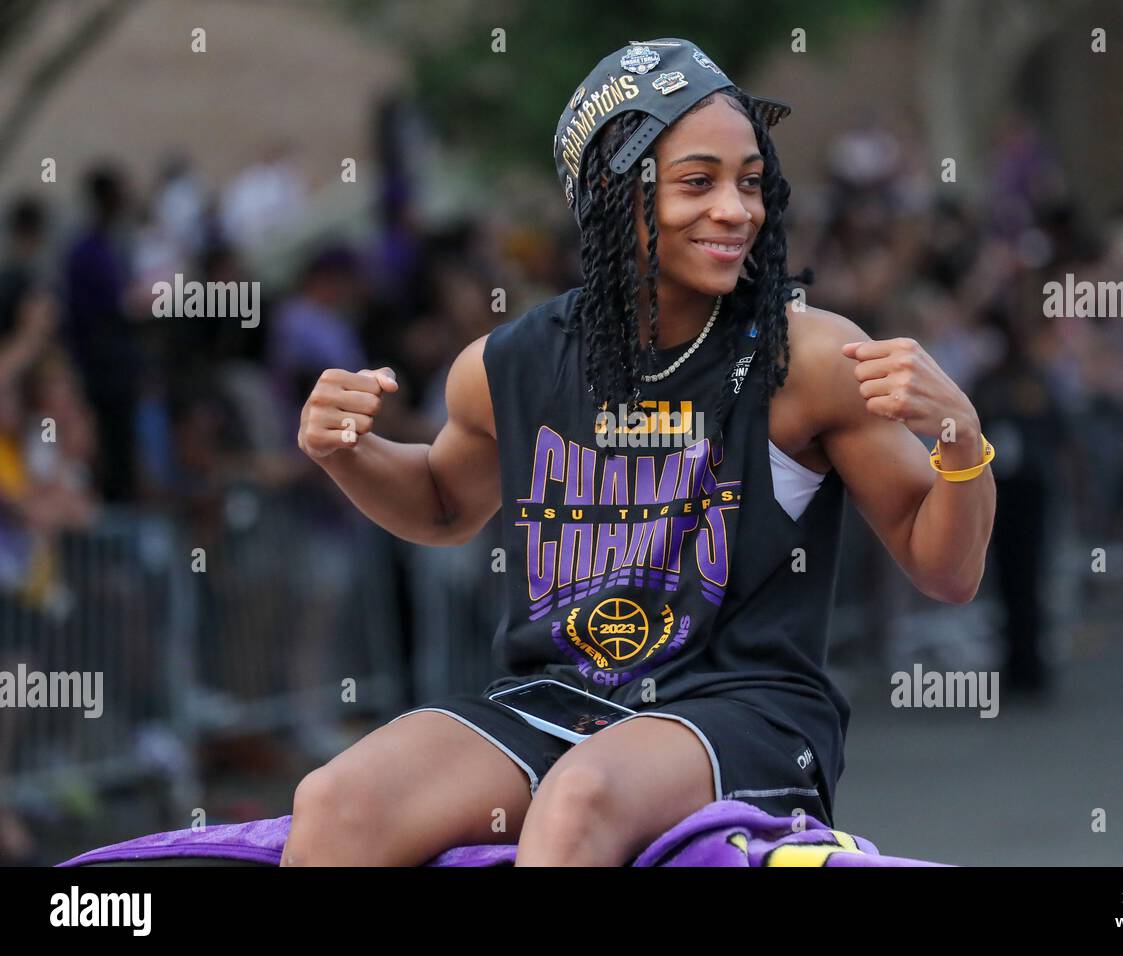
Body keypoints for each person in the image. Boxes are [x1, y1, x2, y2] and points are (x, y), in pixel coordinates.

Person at [283, 38, 996, 866]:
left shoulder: (806, 361)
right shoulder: (506, 364)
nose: (737, 210)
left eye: (751, 182)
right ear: (610, 194)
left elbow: (946, 571)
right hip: (558, 697)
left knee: (578, 800)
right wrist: (347, 451)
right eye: (698, 182)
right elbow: (442, 503)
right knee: (333, 802)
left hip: (741, 708)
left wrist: (960, 439)